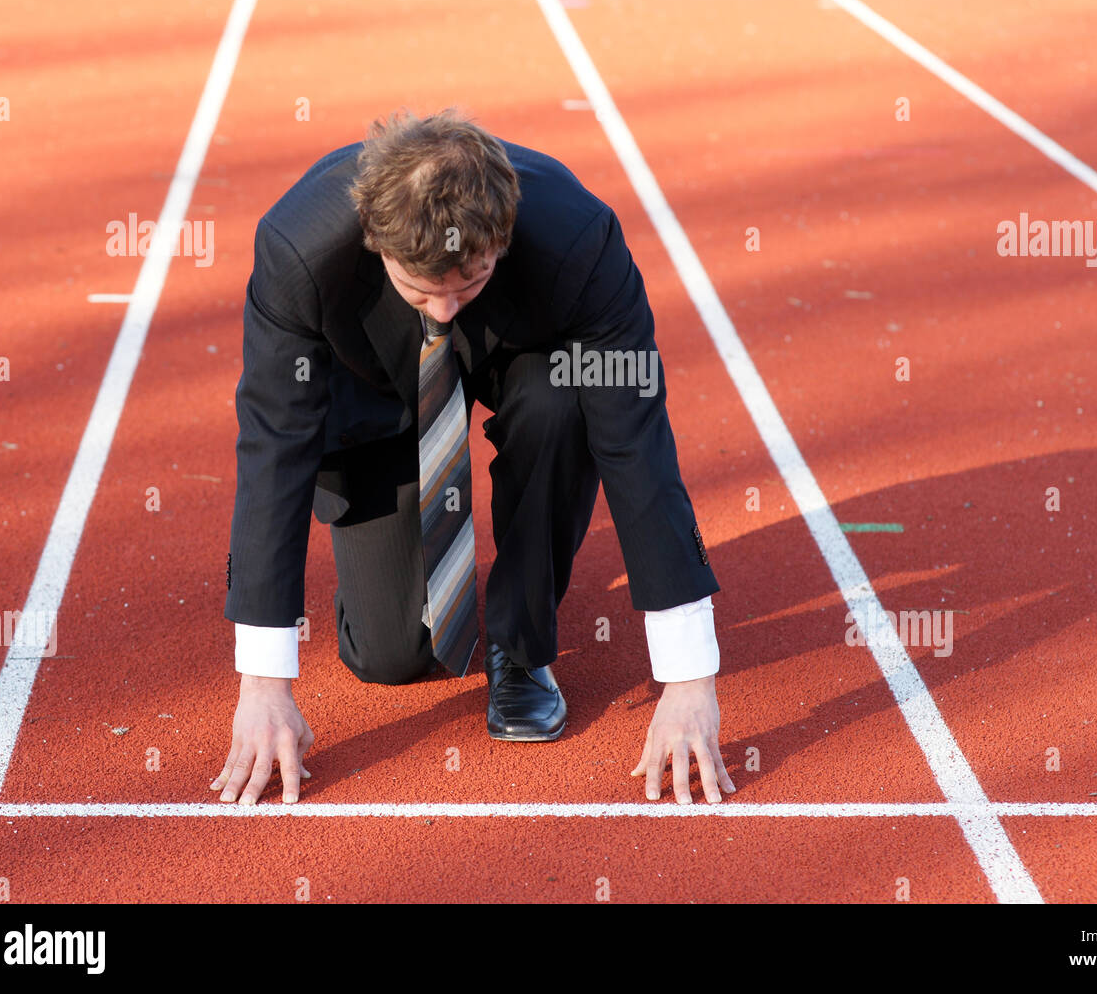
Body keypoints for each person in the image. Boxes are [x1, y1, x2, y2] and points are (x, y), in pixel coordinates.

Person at [210, 108, 735, 808]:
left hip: (523, 362)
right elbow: (274, 445)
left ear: (505, 238)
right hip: (376, 393)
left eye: (470, 281)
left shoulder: (580, 243)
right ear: (374, 241)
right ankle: (394, 566)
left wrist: (689, 678)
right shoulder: (297, 250)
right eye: (422, 289)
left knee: (563, 398)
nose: (447, 309)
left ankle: (520, 644)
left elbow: (636, 439)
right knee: (391, 657)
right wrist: (263, 684)